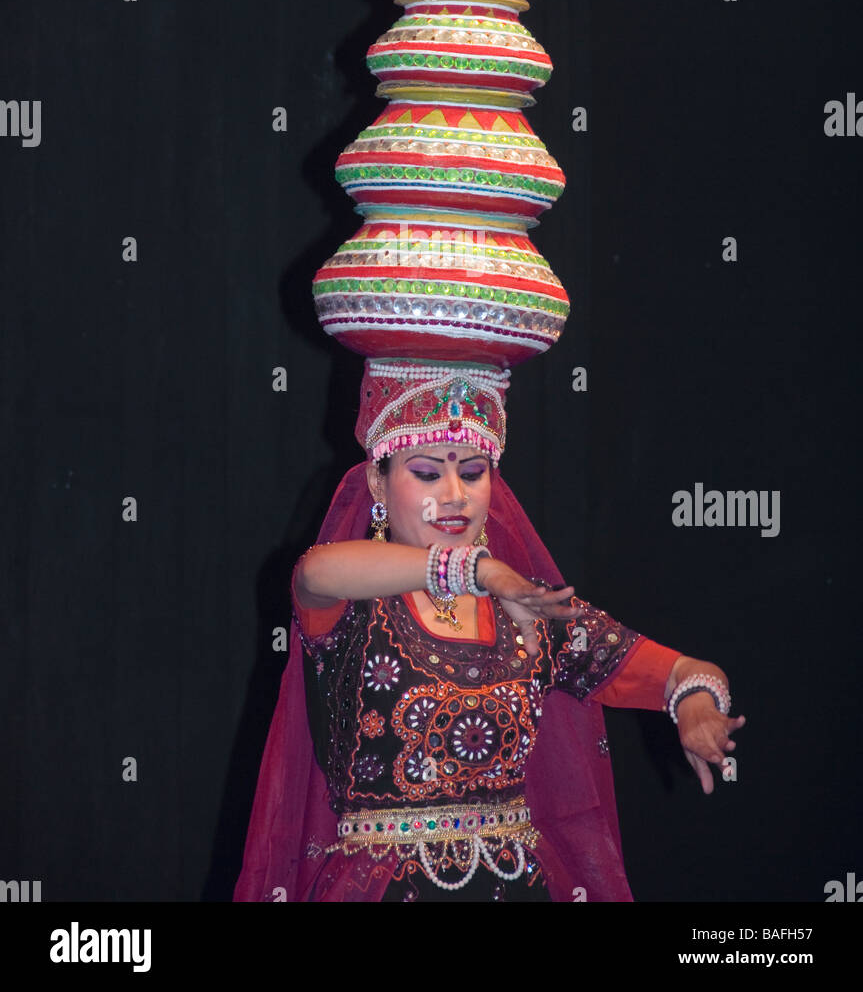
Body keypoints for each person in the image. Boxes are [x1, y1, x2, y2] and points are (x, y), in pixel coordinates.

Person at [233, 362, 744, 903]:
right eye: (427, 474)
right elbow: (314, 573)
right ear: (376, 481)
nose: (453, 495)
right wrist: (473, 569)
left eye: (473, 472)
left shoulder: (527, 608)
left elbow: (679, 671)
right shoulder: (353, 604)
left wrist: (693, 702)